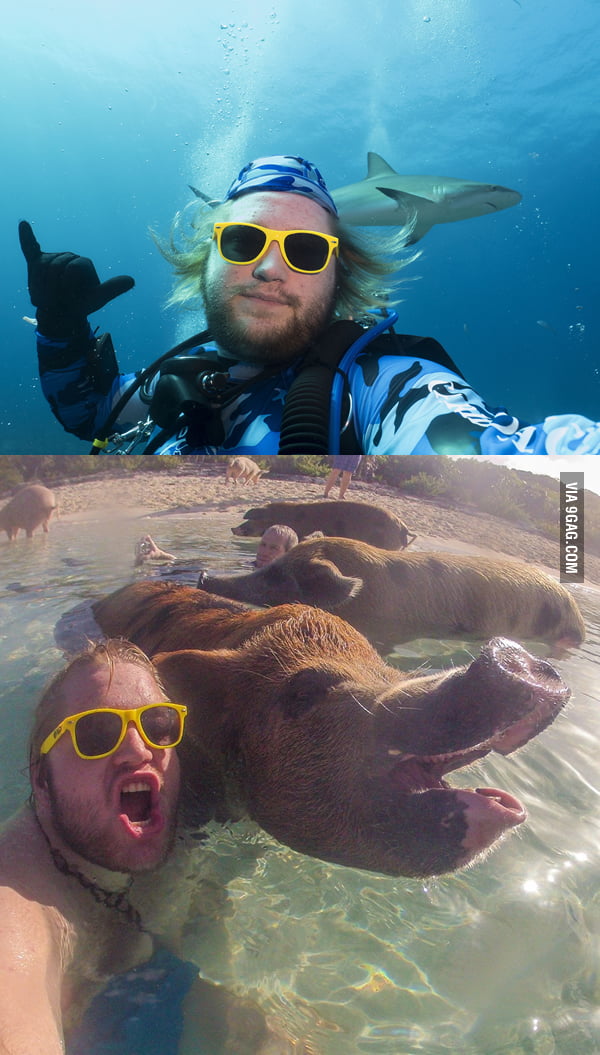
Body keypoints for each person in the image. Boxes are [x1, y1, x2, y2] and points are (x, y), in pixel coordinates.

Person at [18, 154, 600, 455]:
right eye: (241, 241)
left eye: (305, 250)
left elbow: (511, 455)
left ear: (339, 276)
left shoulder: (379, 390)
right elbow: (90, 414)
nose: (270, 268)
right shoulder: (179, 379)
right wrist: (61, 331)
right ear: (204, 262)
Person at [0, 639, 306, 1054]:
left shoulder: (177, 847)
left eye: (158, 725)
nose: (138, 750)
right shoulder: (16, 905)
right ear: (41, 777)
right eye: (96, 733)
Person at [134, 523, 298, 570]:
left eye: (273, 548)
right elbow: (201, 566)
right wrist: (162, 555)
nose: (264, 551)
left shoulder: (288, 581)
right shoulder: (247, 566)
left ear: (288, 554)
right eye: (263, 545)